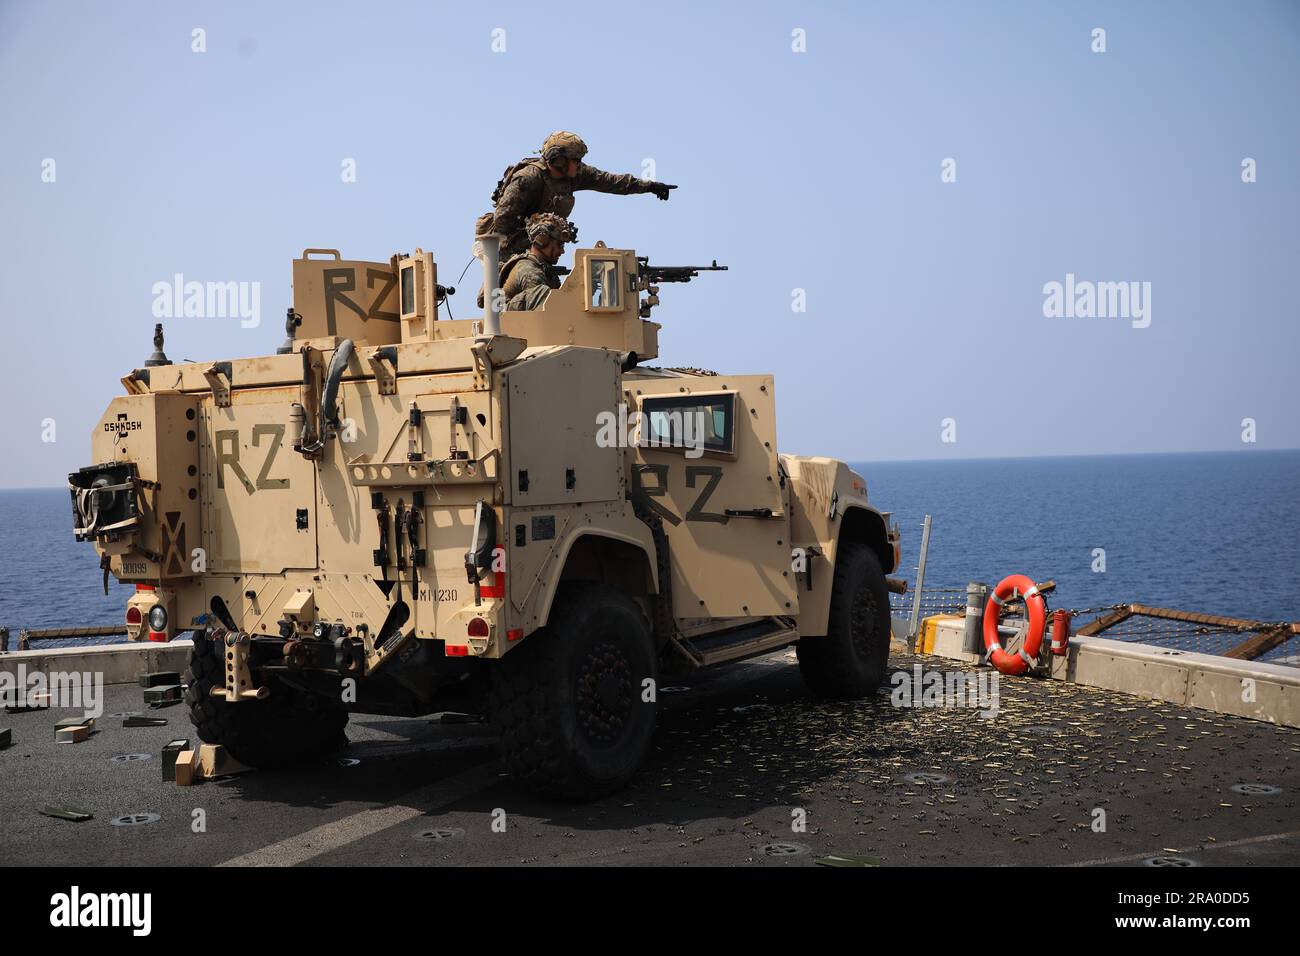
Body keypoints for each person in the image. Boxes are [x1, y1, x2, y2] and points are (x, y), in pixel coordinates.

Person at [478, 131, 675, 258]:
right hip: (510, 251)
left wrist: (649, 186)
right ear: (559, 161)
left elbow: (611, 181)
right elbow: (503, 221)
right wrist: (533, 245)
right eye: (576, 160)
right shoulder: (528, 179)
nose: (579, 164)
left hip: (543, 249)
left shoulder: (575, 175)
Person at [498, 213, 574, 311]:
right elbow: (548, 307)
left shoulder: (545, 269)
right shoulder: (528, 269)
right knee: (543, 292)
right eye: (560, 245)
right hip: (506, 321)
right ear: (541, 240)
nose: (562, 251)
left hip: (520, 320)